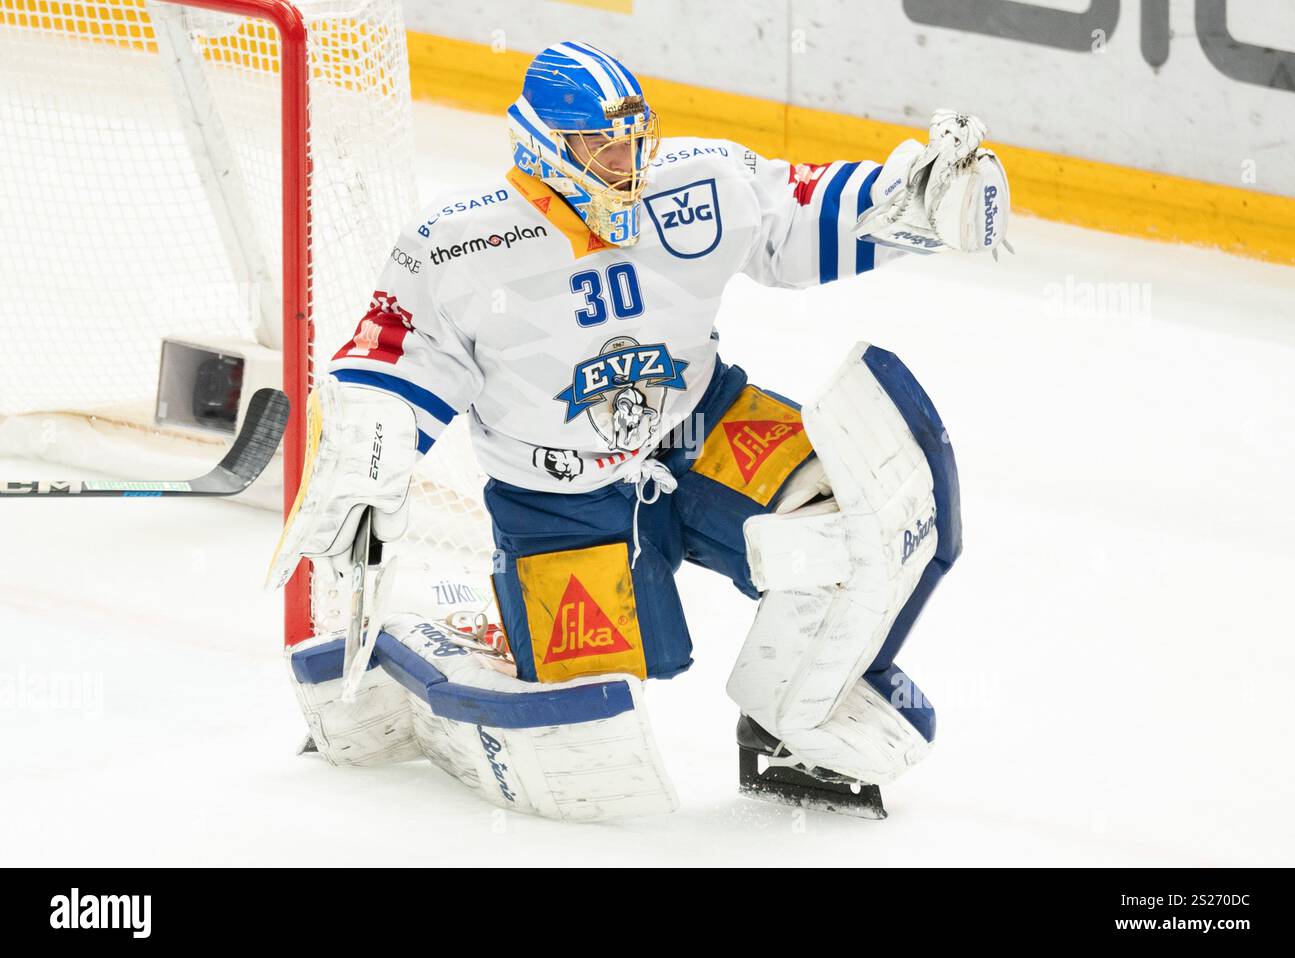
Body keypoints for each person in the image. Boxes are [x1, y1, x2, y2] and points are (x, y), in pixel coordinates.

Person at [270, 40, 1008, 821]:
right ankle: (438, 651)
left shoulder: (701, 180)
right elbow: (392, 359)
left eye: (633, 139)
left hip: (700, 426)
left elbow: (795, 213)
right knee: (585, 734)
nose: (626, 161)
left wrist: (915, 199)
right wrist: (367, 449)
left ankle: (788, 728)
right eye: (601, 145)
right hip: (560, 497)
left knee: (856, 524)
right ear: (543, 146)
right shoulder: (456, 248)